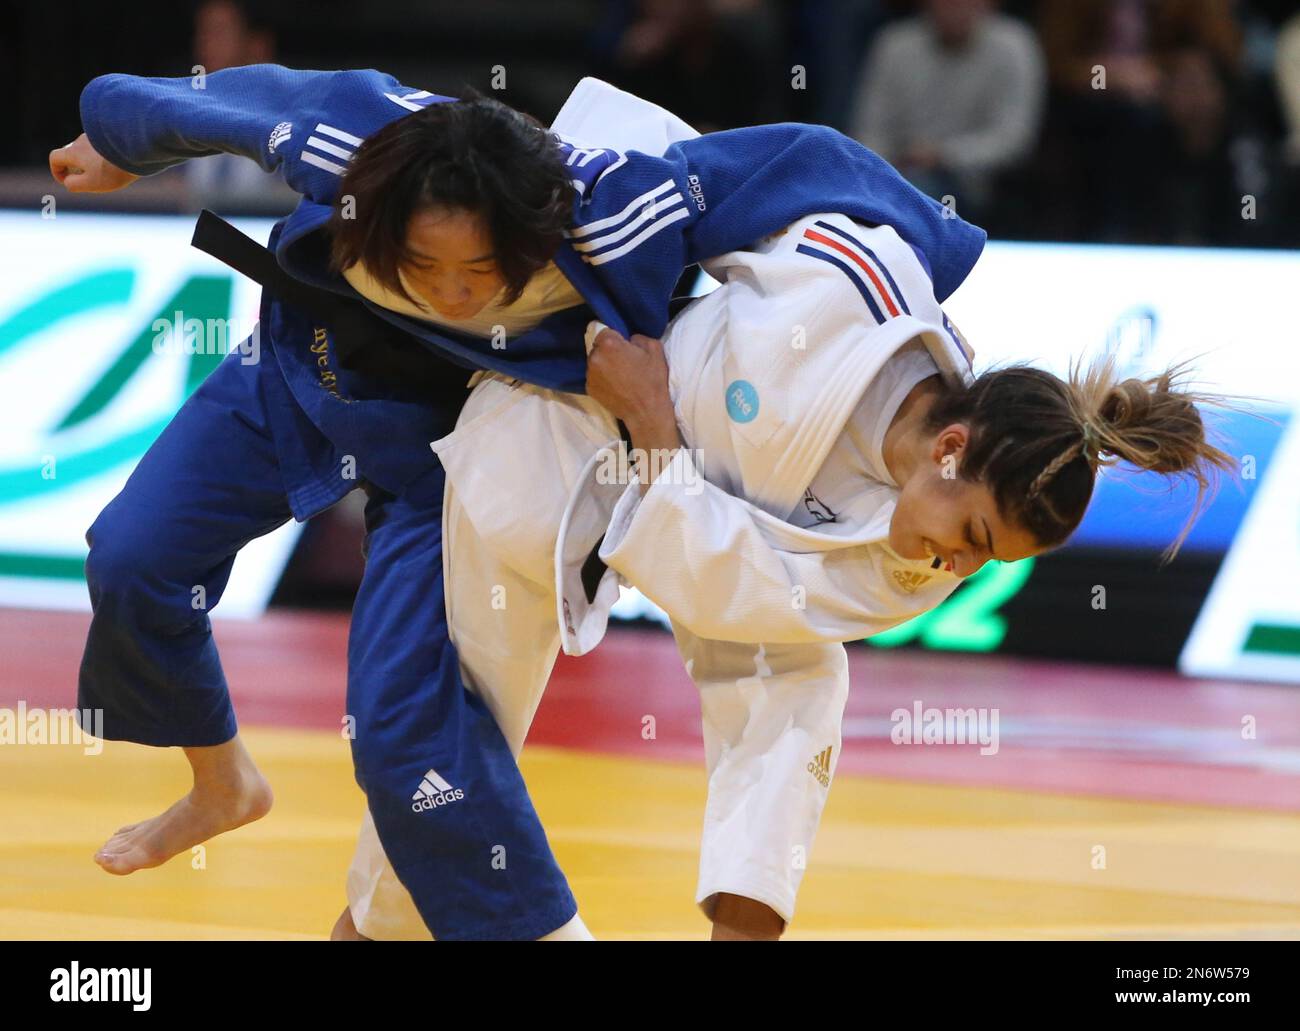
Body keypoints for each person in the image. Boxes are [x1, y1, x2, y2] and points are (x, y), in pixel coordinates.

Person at [49, 65, 987, 939]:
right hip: (314, 369)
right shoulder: (351, 142)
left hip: (443, 455)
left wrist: (934, 244)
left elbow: (794, 160)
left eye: (480, 274)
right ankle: (221, 784)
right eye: (428, 267)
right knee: (131, 555)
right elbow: (228, 103)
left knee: (408, 730)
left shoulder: (612, 213)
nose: (455, 293)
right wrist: (117, 139)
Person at [343, 207, 1237, 939]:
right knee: (451, 739)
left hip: (688, 493)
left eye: (985, 560)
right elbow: (710, 190)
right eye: (970, 533)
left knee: (805, 684)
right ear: (953, 449)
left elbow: (726, 587)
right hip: (563, 432)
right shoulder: (849, 293)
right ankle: (370, 928)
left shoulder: (912, 570)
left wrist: (655, 424)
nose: (957, 568)